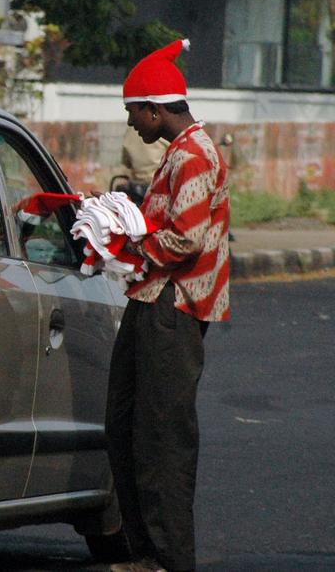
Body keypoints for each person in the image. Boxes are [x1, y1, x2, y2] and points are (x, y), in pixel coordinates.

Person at [106, 39, 231, 572]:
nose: (131, 123)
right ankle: (145, 553)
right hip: (152, 300)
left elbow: (186, 238)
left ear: (155, 110)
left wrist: (126, 248)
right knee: (126, 427)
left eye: (134, 112)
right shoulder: (178, 153)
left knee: (162, 438)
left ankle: (167, 559)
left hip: (173, 309)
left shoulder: (194, 155)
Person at [119, 125, 170, 206]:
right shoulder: (163, 127)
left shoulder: (132, 128)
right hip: (158, 186)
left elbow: (127, 162)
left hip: (136, 187)